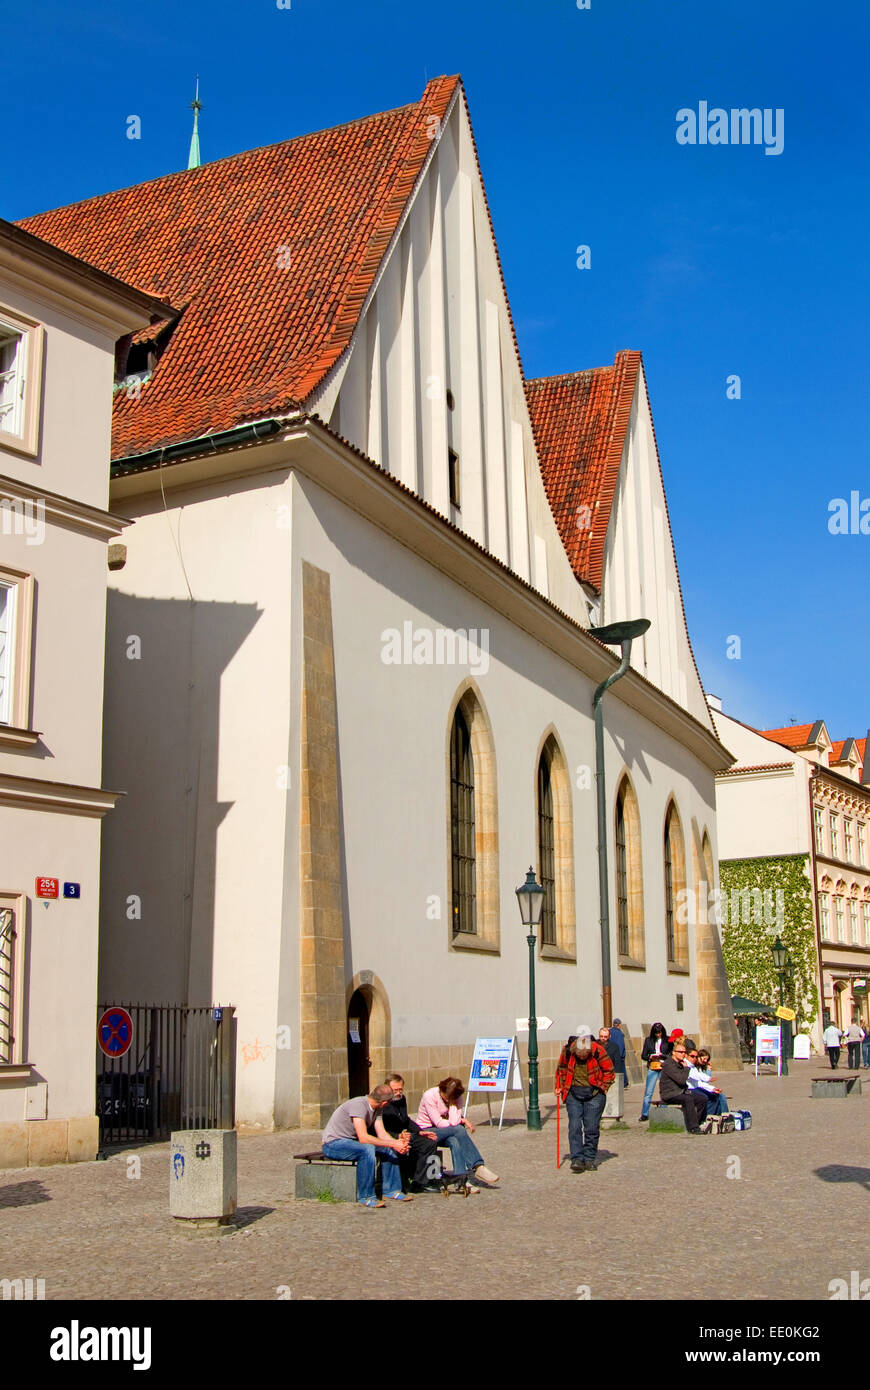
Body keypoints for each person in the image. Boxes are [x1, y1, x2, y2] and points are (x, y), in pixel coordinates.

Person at [321, 1084, 414, 1208]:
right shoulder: (358, 1105)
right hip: (333, 1144)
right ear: (385, 1103)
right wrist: (393, 1143)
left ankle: (391, 1189)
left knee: (388, 1148)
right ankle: (366, 1196)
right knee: (367, 1149)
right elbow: (363, 1138)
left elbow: (382, 1134)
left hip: (352, 1142)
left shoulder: (378, 1108)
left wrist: (397, 1144)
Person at [415, 1078, 499, 1186]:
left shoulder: (457, 1098)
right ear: (441, 1089)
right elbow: (439, 1122)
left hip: (448, 1131)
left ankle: (461, 1180)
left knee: (455, 1140)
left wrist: (452, 1105)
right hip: (427, 1130)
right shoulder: (429, 1096)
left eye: (452, 1099)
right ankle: (477, 1166)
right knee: (459, 1129)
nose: (447, 1101)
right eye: (446, 1098)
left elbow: (454, 1121)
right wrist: (461, 1120)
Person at [555, 1024, 615, 1172]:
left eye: (584, 1056)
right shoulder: (568, 1051)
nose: (582, 1058)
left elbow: (609, 1070)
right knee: (574, 1126)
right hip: (573, 1093)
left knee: (591, 1127)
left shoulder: (597, 1050)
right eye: (579, 1056)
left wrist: (603, 1087)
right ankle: (577, 1159)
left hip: (594, 1094)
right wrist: (559, 1086)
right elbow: (561, 1069)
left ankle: (589, 1158)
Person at [380, 1074, 442, 1193]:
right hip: (389, 1136)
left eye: (400, 1089)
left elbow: (406, 1120)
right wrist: (397, 1137)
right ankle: (400, 1183)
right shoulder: (383, 1104)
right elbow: (380, 1129)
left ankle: (420, 1182)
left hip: (405, 1134)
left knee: (429, 1143)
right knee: (401, 1148)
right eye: (395, 1090)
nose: (398, 1093)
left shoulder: (401, 1099)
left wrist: (420, 1131)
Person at [658, 1039, 707, 1133]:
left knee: (702, 1099)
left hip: (680, 1092)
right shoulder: (669, 1064)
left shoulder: (680, 1063)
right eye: (680, 1052)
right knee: (688, 1099)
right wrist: (686, 1068)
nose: (683, 1054)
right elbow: (681, 1080)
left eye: (684, 1052)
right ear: (674, 1053)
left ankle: (698, 1122)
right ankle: (693, 1127)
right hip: (670, 1093)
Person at [639, 1022, 670, 1121]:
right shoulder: (648, 1040)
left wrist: (662, 1055)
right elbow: (643, 1055)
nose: (658, 1034)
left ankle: (663, 1111)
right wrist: (650, 1057)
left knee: (664, 1090)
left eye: (660, 1032)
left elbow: (671, 1054)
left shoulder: (668, 1040)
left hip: (663, 1066)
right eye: (656, 1033)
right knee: (649, 1091)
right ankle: (645, 1113)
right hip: (653, 1066)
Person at [687, 1047, 729, 1117]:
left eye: (707, 1059)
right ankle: (709, 1117)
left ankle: (722, 1116)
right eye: (703, 1059)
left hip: (697, 1087)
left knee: (719, 1096)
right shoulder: (689, 1066)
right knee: (710, 1097)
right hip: (691, 1088)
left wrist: (712, 1088)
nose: (705, 1061)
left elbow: (702, 1082)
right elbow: (698, 1079)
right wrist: (709, 1079)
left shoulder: (699, 1067)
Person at [610, 1018, 629, 1086]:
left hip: (611, 1054)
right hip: (619, 1055)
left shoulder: (610, 1032)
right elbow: (620, 1045)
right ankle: (624, 1083)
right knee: (621, 1069)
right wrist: (620, 1055)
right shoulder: (619, 1033)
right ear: (619, 1025)